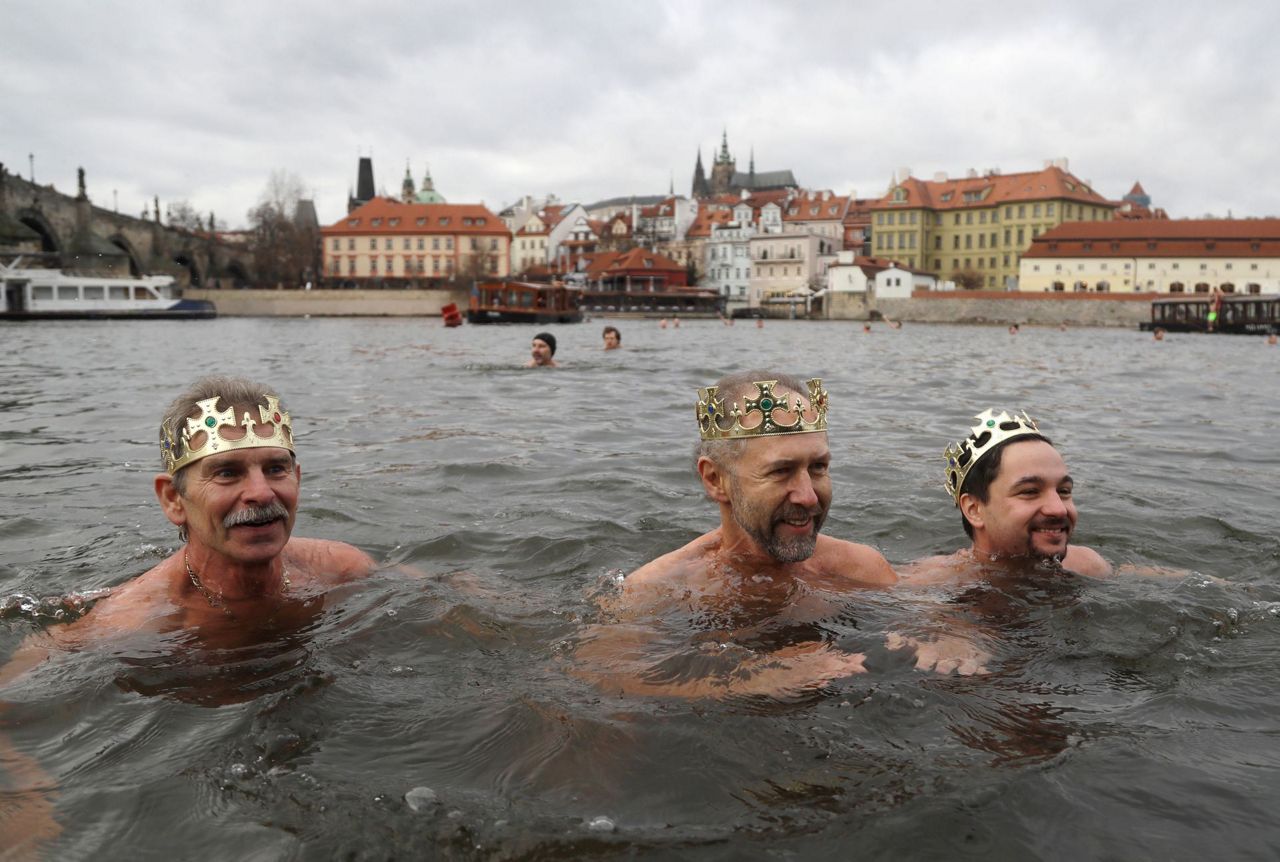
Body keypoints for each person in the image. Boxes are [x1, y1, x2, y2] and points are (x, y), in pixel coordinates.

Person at [0, 375, 376, 850]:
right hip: (187, 778)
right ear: (173, 500)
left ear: (296, 480)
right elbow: (11, 697)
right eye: (227, 473)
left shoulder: (342, 568)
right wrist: (21, 792)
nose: (261, 493)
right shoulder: (131, 622)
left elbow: (438, 596)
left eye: (276, 469)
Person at [574, 372, 908, 698]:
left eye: (818, 467)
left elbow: (913, 637)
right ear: (715, 480)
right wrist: (747, 681)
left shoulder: (863, 569)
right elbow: (599, 678)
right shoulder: (655, 590)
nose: (808, 496)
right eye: (781, 471)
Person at [906, 409, 1110, 585]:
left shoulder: (1089, 567)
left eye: (1064, 491)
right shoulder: (931, 588)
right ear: (974, 509)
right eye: (1030, 491)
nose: (1059, 509)